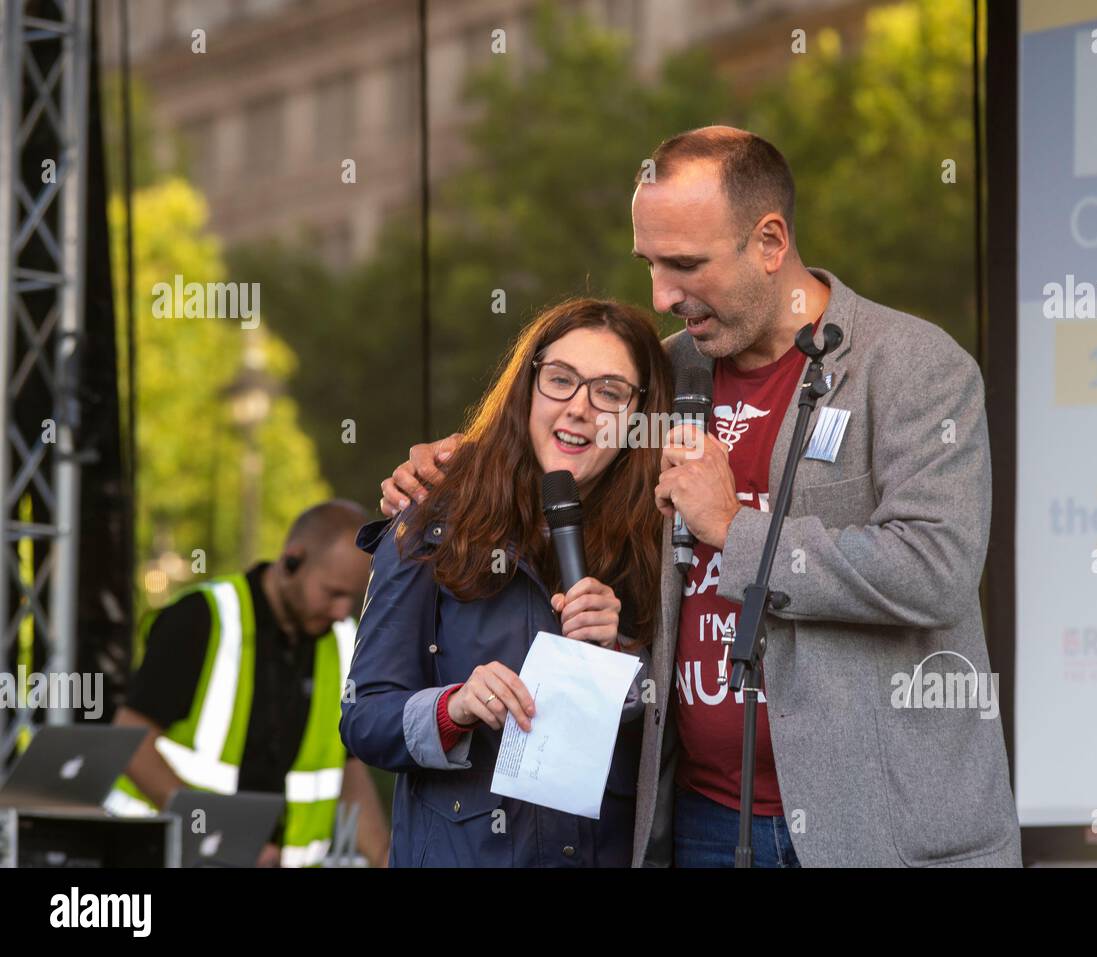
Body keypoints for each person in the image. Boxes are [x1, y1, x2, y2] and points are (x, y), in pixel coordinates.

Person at [381, 127, 1021, 868]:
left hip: (882, 829)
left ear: (771, 241)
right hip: (703, 820)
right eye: (650, 264)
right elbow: (561, 455)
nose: (662, 296)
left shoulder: (911, 365)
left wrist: (734, 528)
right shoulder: (668, 372)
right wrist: (451, 469)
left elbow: (936, 565)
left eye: (686, 265)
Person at [342, 297, 673, 867]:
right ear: (527, 387)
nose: (579, 409)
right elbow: (364, 717)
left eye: (611, 393)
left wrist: (621, 655)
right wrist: (454, 708)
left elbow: (683, 732)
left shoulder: (660, 536)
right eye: (561, 380)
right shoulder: (432, 517)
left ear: (642, 414)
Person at [106, 500, 390, 868]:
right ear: (292, 559)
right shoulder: (202, 618)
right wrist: (221, 836)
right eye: (332, 593)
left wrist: (386, 857)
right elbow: (131, 741)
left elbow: (347, 767)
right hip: (167, 856)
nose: (340, 611)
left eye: (351, 599)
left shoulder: (342, 641)